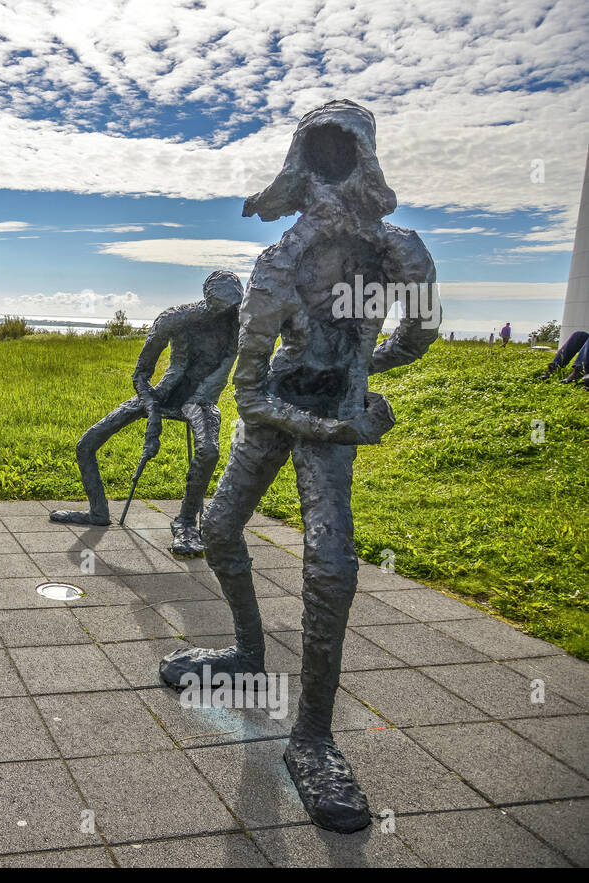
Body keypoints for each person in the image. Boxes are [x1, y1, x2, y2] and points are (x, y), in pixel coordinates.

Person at [159, 101, 439, 832]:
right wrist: (336, 415)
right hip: (285, 404)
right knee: (219, 527)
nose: (336, 177)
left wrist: (356, 369)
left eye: (345, 156)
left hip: (336, 406)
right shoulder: (278, 263)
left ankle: (312, 735)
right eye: (321, 158)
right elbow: (249, 391)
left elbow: (419, 333)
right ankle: (249, 648)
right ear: (301, 168)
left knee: (331, 566)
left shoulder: (399, 251)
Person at [49, 271, 243, 557]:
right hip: (162, 394)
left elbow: (223, 372)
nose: (227, 312)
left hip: (200, 401)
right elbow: (141, 374)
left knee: (210, 450)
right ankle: (98, 511)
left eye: (233, 306)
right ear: (207, 299)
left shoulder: (240, 322)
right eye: (221, 306)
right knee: (86, 444)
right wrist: (152, 413)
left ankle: (186, 522)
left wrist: (200, 402)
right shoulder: (174, 318)